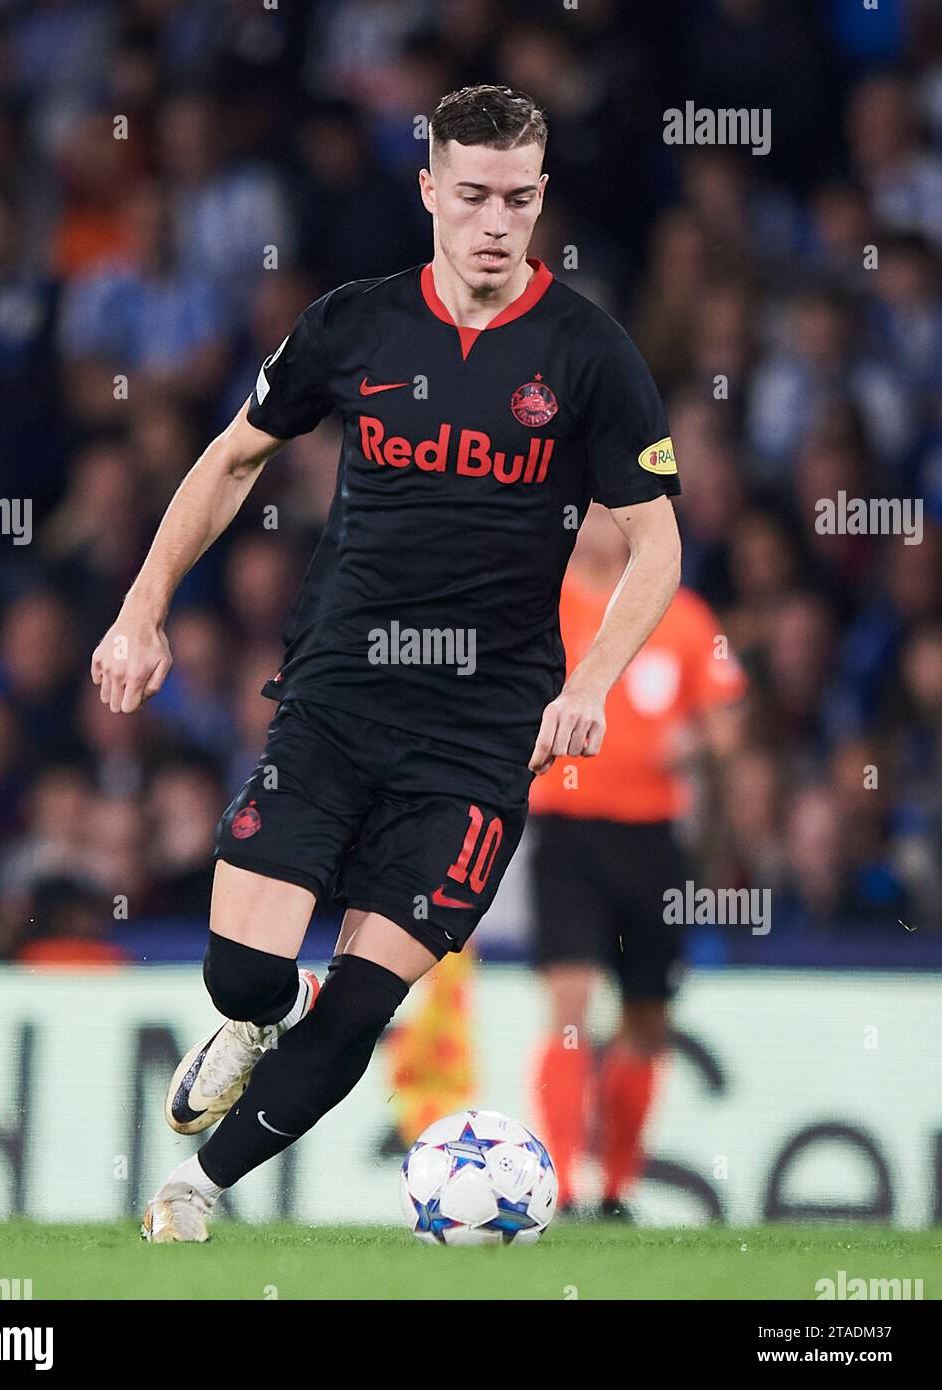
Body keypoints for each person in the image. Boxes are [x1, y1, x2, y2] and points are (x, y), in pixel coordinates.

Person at [90, 85, 682, 1242]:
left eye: (517, 198)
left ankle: (196, 1189)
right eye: (470, 196)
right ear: (427, 192)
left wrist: (591, 680)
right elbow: (228, 460)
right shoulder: (354, 325)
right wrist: (141, 608)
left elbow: (656, 540)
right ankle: (263, 1011)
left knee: (366, 997)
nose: (494, 222)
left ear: (541, 197)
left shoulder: (588, 352)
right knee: (239, 976)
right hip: (335, 699)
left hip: (477, 738)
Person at [529, 506, 746, 1218]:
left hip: (652, 840)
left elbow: (726, 721)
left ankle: (616, 1187)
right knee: (569, 1000)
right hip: (566, 830)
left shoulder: (680, 615)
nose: (597, 524)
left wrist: (697, 742)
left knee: (645, 1018)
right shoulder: (541, 601)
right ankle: (560, 1183)